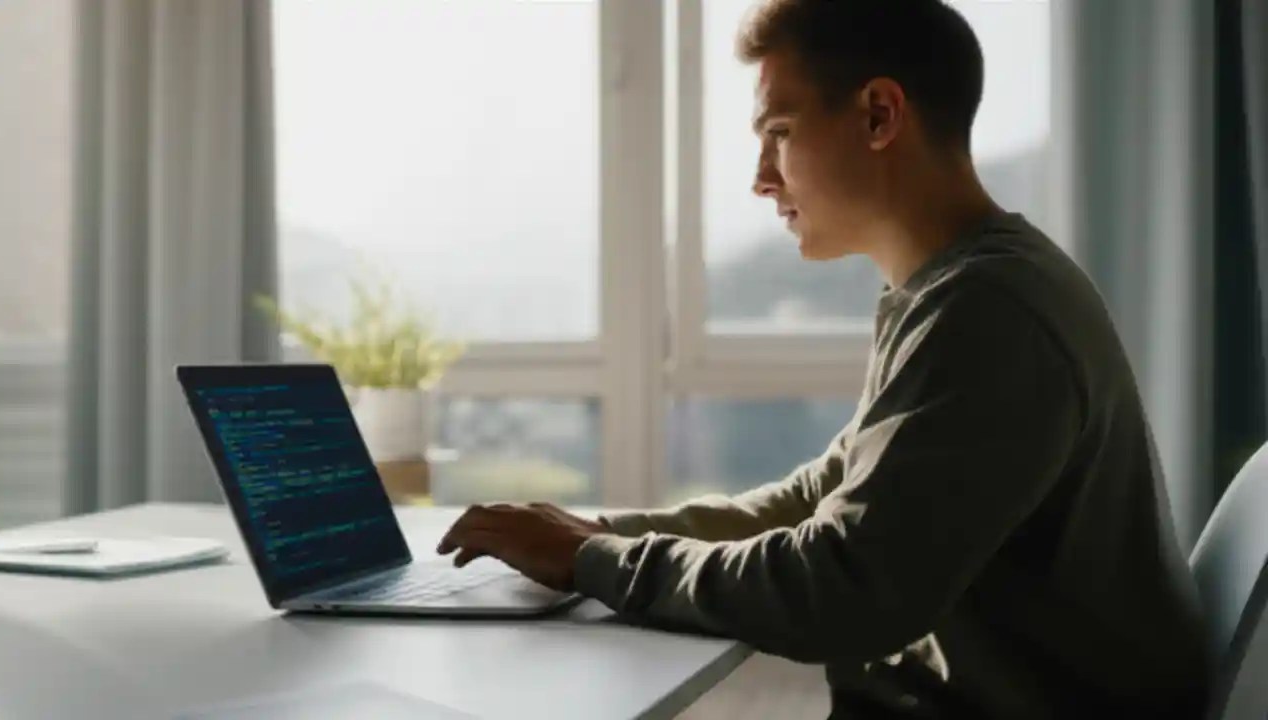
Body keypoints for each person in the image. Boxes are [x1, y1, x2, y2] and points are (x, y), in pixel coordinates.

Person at [437, 0, 1211, 716]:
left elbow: (843, 588)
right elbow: (819, 498)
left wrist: (592, 559)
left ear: (878, 114)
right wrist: (591, 533)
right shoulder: (958, 289)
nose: (760, 179)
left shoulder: (990, 310)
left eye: (777, 132)